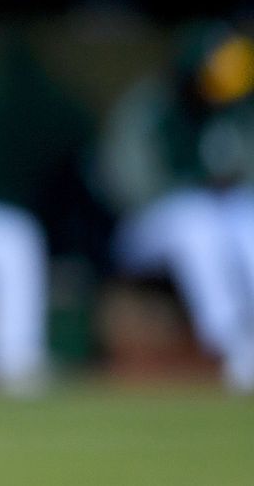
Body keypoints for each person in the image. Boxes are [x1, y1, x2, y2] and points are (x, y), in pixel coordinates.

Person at [99, 25, 254, 393]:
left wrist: (228, 180)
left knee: (245, 217)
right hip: (147, 226)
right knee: (195, 222)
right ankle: (230, 343)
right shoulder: (150, 109)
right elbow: (126, 184)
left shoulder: (232, 110)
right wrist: (192, 185)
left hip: (218, 217)